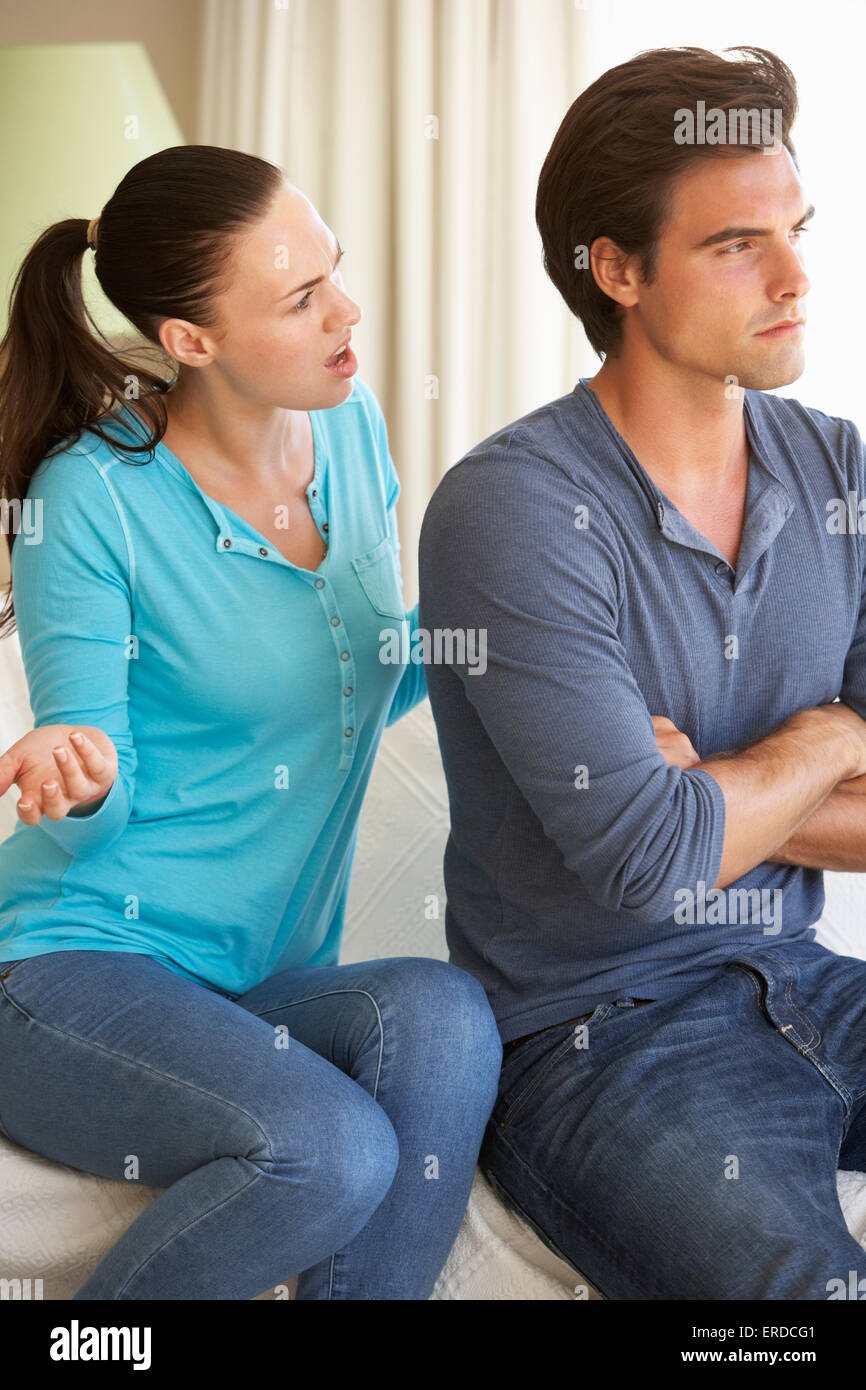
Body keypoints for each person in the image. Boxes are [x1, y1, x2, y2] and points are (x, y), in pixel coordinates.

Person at [0, 143, 502, 1301]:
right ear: (191, 342)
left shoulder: (348, 424)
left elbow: (365, 666)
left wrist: (515, 636)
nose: (346, 310)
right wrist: (74, 772)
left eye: (333, 269)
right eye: (300, 297)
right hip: (76, 968)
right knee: (328, 1148)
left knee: (442, 1013)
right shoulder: (95, 499)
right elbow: (91, 780)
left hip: (256, 984)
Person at [418, 45, 866, 1299]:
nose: (795, 278)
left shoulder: (836, 468)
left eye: (797, 229)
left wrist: (719, 798)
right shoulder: (511, 510)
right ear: (615, 271)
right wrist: (830, 739)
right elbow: (648, 859)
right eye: (735, 245)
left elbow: (683, 835)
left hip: (805, 982)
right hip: (596, 1042)